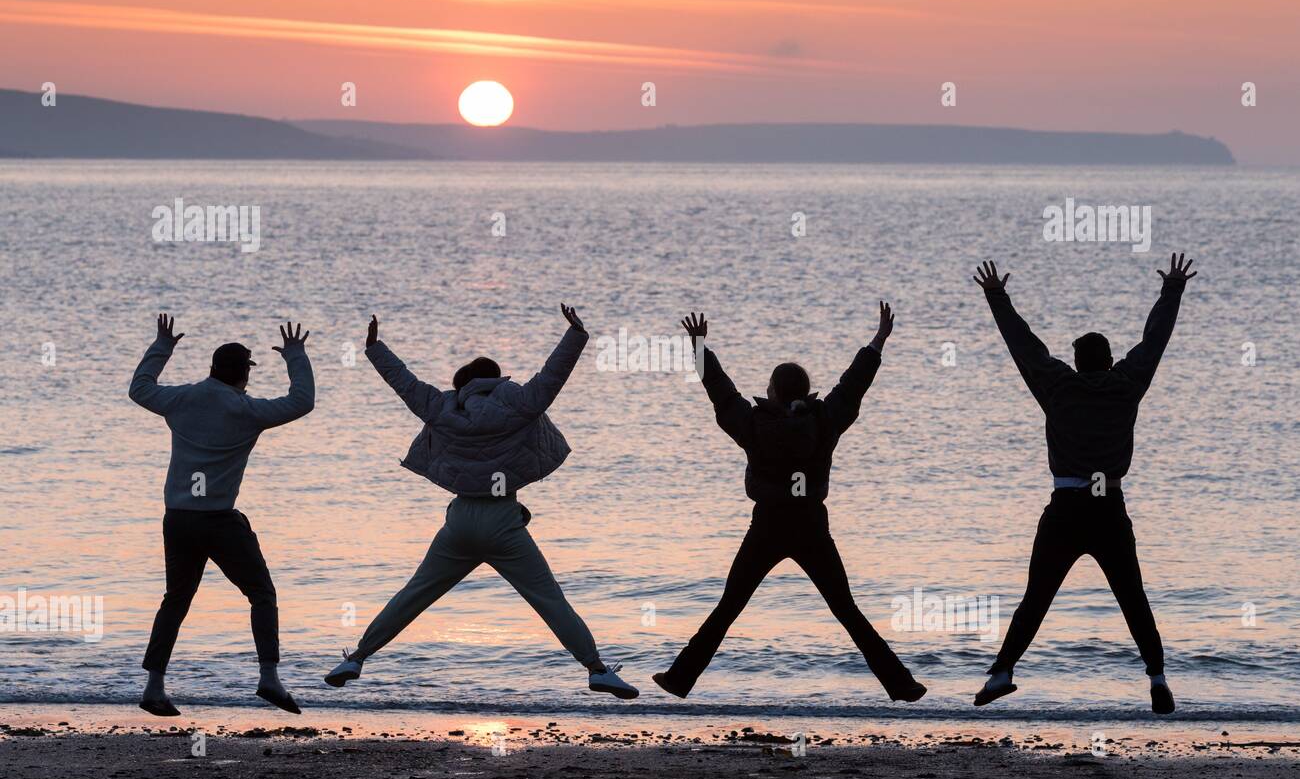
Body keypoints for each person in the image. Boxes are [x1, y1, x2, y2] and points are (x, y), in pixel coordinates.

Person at [324, 306, 637, 699]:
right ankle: (596, 669)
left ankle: (357, 657)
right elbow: (553, 375)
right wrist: (575, 334)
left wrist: (375, 348)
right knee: (549, 599)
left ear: (463, 385)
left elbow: (404, 384)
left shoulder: (442, 407)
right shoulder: (521, 404)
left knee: (413, 594)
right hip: (503, 519)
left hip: (460, 522)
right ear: (496, 379)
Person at [652, 305, 927, 702]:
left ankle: (680, 678)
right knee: (846, 610)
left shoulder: (755, 424)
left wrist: (699, 347)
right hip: (812, 525)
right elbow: (854, 385)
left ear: (774, 393)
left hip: (768, 525)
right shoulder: (825, 419)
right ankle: (901, 684)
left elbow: (722, 392)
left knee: (730, 606)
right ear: (804, 391)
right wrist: (879, 339)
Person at [971, 254, 1198, 714]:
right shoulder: (1126, 384)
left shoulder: (1058, 387)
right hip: (1109, 506)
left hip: (1066, 508)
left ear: (1074, 363)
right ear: (1110, 361)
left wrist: (997, 296)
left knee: (1036, 597)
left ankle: (1002, 672)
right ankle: (1157, 677)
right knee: (1133, 597)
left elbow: (1024, 345)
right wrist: (1172, 289)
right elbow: (1154, 342)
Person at [130, 313, 315, 716]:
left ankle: (153, 687)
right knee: (261, 594)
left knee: (176, 600)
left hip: (178, 518)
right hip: (217, 520)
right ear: (242, 374)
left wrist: (163, 346)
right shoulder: (247, 410)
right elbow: (303, 401)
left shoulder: (182, 399)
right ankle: (268, 678)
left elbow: (140, 389)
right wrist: (295, 356)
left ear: (213, 369)